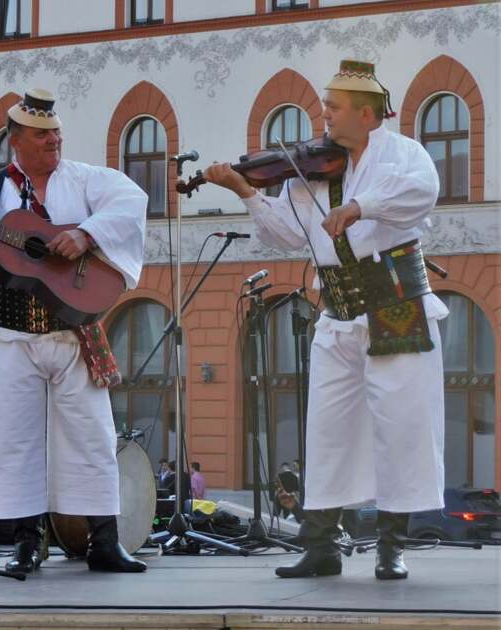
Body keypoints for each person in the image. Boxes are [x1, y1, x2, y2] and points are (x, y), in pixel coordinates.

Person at [203, 60, 444, 581]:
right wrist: (245, 192)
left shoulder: (405, 155)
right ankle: (322, 545)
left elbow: (422, 194)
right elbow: (289, 236)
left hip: (394, 301)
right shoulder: (310, 171)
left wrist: (360, 205)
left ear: (366, 113)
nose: (323, 116)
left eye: (332, 108)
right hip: (336, 309)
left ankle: (390, 547)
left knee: (399, 427)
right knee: (328, 430)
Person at [0, 89, 149, 575]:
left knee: (90, 434)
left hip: (70, 331)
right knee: (11, 437)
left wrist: (86, 234)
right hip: (10, 333)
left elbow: (133, 201)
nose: (54, 140)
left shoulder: (86, 180)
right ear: (15, 140)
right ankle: (27, 542)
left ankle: (104, 539)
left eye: (57, 132)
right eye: (43, 134)